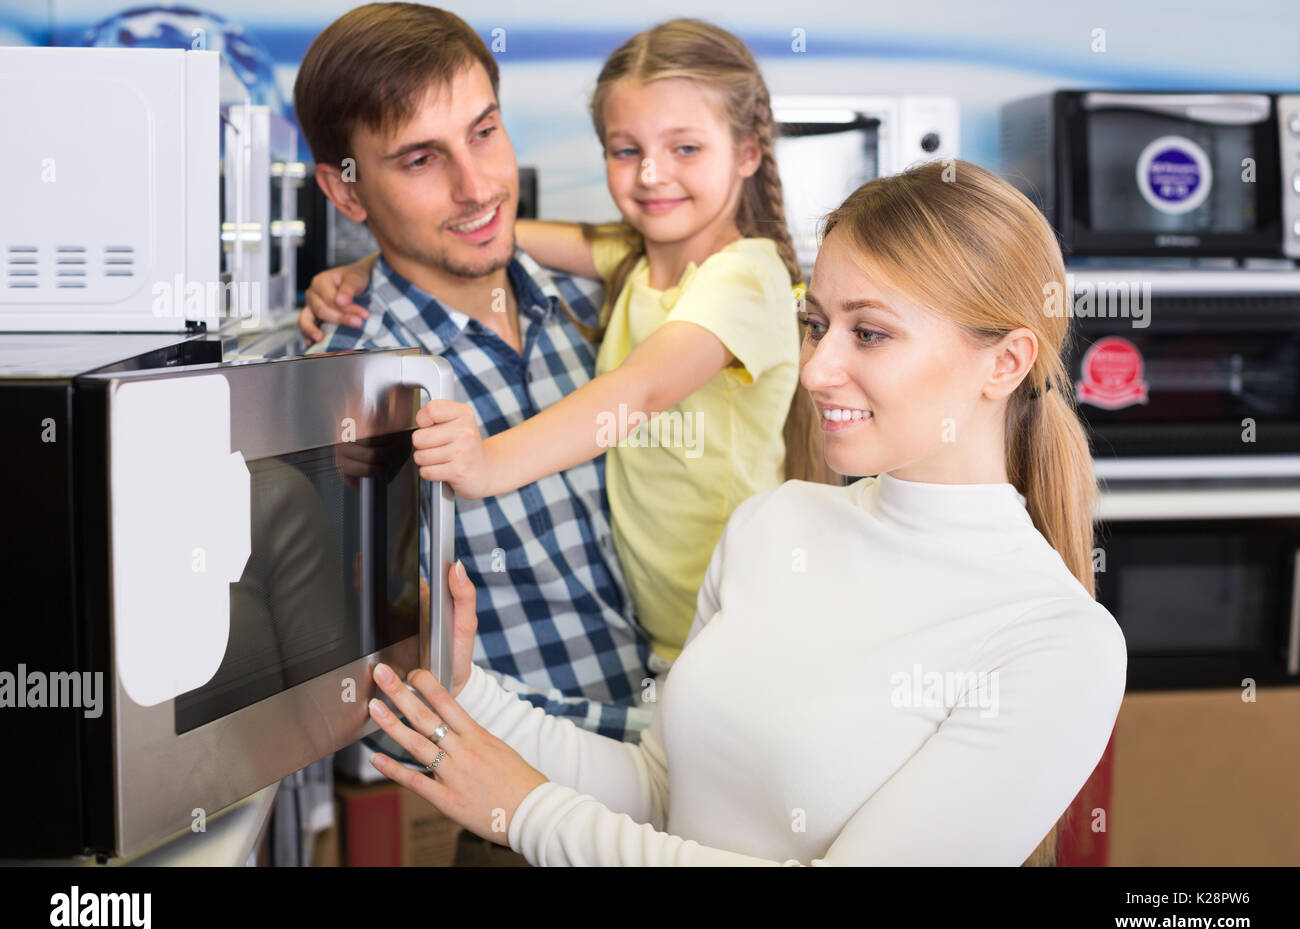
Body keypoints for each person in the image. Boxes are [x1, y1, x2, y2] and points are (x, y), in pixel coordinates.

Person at [363, 159, 1129, 866]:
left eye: (869, 333)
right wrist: (465, 690)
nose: (818, 370)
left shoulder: (1058, 645)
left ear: (1005, 362)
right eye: (816, 324)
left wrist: (528, 813)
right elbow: (661, 795)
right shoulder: (775, 525)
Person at [300, 18, 835, 676]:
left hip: (732, 650)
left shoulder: (657, 291)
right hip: (579, 735)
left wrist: (488, 464)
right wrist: (365, 262)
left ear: (747, 153)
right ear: (346, 191)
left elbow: (637, 388)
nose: (476, 186)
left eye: (484, 133)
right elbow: (394, 697)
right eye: (420, 159)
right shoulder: (347, 389)